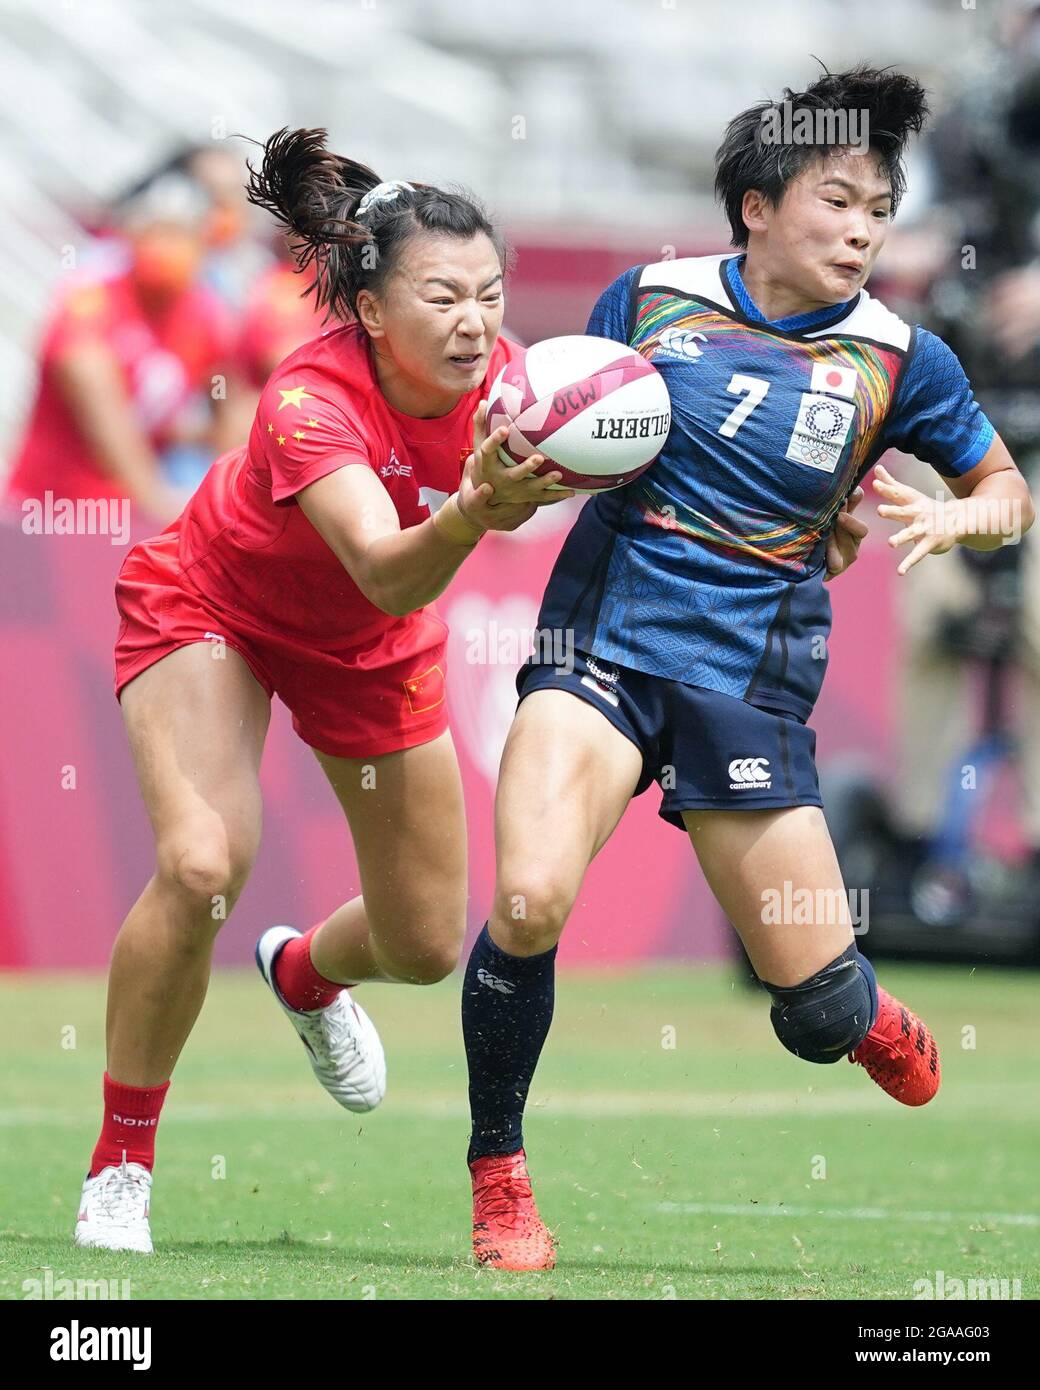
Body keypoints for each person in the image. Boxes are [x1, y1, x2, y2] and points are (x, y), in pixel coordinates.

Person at [457, 64, 1036, 1271]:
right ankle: (499, 1172)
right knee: (525, 901)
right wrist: (503, 469)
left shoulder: (899, 358)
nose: (863, 231)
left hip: (747, 686)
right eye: (838, 201)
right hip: (600, 649)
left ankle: (857, 1005)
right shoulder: (648, 298)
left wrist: (951, 522)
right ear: (757, 206)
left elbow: (1005, 493)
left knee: (816, 1014)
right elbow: (545, 436)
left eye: (879, 209)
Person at [73, 127, 571, 1254]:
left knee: (427, 942)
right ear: (371, 309)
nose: (473, 320)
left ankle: (301, 973)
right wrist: (475, 511)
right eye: (440, 295)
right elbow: (388, 563)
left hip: (367, 647)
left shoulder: (514, 384)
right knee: (202, 866)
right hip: (215, 605)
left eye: (488, 293)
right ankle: (122, 1159)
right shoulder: (308, 399)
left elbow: (408, 585)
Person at [5, 173, 235, 524]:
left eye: (181, 234)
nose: (167, 247)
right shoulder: (90, 303)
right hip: (50, 512)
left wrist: (235, 487)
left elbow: (230, 405)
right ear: (130, 235)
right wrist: (162, 506)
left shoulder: (206, 315)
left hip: (125, 519)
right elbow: (106, 419)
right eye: (157, 231)